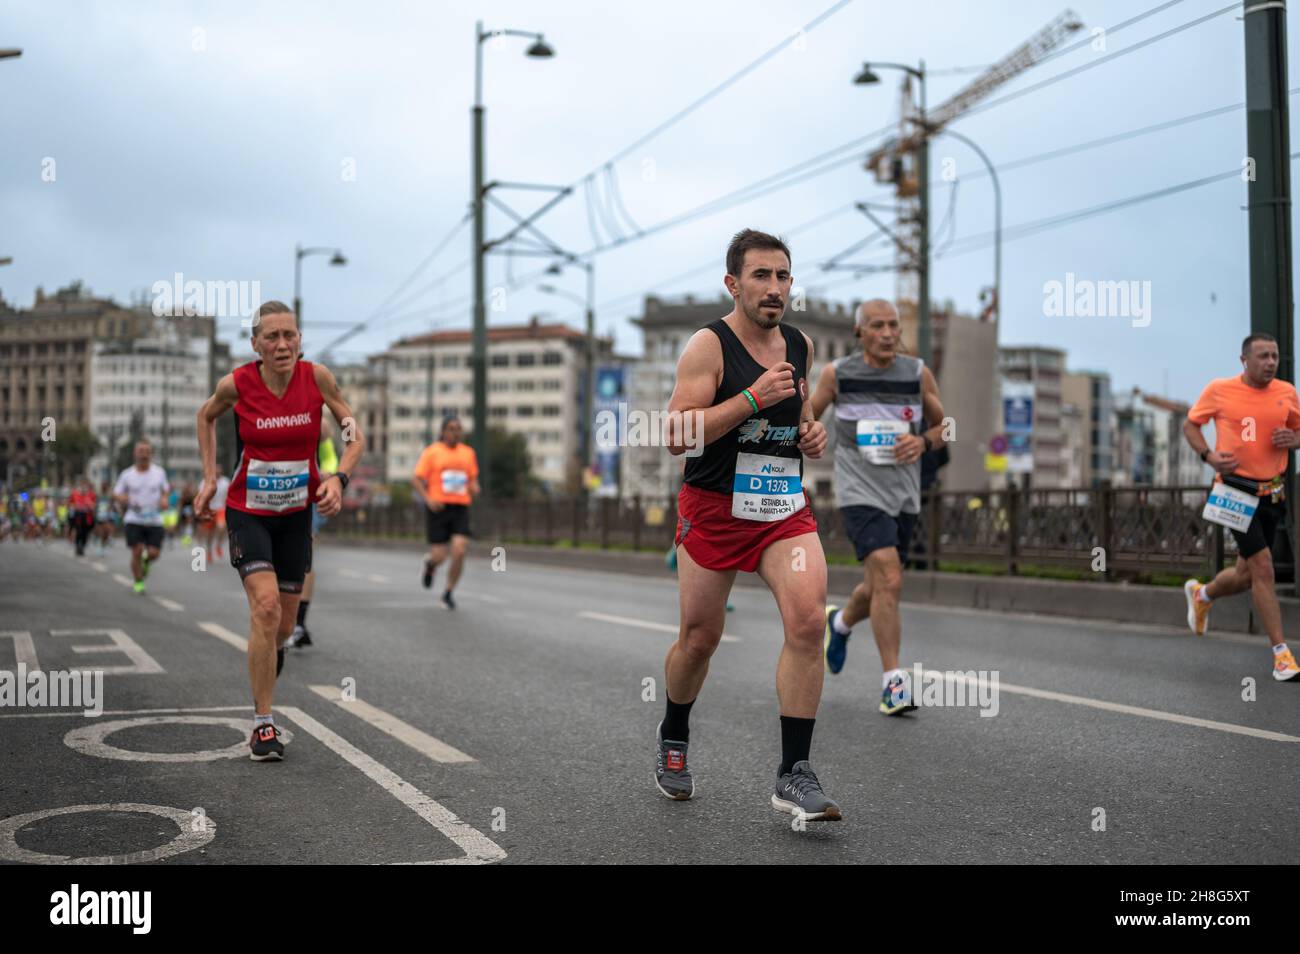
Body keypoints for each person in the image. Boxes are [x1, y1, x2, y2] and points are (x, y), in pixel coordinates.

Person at [657, 228, 839, 821]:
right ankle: (675, 733)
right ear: (733, 284)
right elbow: (676, 435)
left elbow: (802, 409)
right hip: (713, 507)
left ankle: (794, 772)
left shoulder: (800, 344)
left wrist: (811, 430)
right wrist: (752, 400)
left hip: (781, 506)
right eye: (762, 276)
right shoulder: (707, 347)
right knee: (700, 638)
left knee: (809, 621)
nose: (775, 288)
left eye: (783, 276)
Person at [194, 300, 364, 761]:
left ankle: (267, 664)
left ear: (299, 339)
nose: (283, 344)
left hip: (295, 516)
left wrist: (338, 478)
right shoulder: (237, 385)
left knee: (284, 626)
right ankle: (263, 724)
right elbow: (205, 416)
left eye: (290, 335)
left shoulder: (318, 379)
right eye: (272, 336)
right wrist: (210, 478)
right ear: (256, 344)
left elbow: (354, 434)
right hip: (248, 512)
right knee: (265, 608)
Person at [809, 299, 948, 715]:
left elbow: (947, 427)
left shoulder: (917, 372)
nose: (888, 333)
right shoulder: (839, 374)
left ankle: (839, 624)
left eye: (893, 325)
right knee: (889, 575)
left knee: (880, 585)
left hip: (903, 495)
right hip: (858, 492)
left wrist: (923, 441)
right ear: (860, 332)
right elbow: (808, 419)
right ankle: (894, 685)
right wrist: (806, 435)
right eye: (878, 326)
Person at [1181, 332, 1300, 681]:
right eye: (1263, 356)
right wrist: (1209, 456)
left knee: (1247, 575)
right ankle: (1282, 656)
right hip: (1233, 492)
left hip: (1273, 494)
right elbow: (1191, 425)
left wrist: (1295, 440)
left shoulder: (1286, 392)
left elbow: (1299, 430)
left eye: (1274, 356)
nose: (1270, 363)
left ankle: (1202, 594)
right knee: (1263, 569)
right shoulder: (1220, 389)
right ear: (1244, 360)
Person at [413, 416, 480, 611]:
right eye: (451, 429)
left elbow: (472, 478)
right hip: (438, 508)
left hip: (460, 508)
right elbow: (416, 479)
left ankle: (448, 592)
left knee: (459, 550)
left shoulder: (468, 453)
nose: (456, 432)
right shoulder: (432, 452)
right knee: (440, 556)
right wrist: (428, 499)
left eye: (459, 429)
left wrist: (475, 486)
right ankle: (431, 564)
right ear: (443, 431)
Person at [290, 427, 340, 648]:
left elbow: (329, 457)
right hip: (273, 494)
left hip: (308, 496)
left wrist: (328, 473)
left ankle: (299, 623)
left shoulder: (317, 423)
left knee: (304, 554)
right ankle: (277, 616)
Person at [113, 441, 170, 594]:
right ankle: (138, 581)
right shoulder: (127, 474)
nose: (144, 454)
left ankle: (146, 561)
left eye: (147, 451)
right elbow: (116, 493)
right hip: (134, 518)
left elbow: (165, 491)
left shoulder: (159, 473)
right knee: (136, 550)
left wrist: (164, 499)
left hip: (154, 518)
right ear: (135, 454)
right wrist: (121, 498)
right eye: (141, 451)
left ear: (151, 454)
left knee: (154, 553)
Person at [68, 478, 97, 557]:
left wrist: (90, 506)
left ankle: (83, 546)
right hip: (78, 516)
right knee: (79, 531)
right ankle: (78, 546)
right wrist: (75, 507)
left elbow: (94, 505)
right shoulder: (75, 493)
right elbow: (70, 504)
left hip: (88, 517)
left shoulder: (91, 494)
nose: (84, 487)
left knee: (85, 533)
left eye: (86, 485)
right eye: (82, 484)